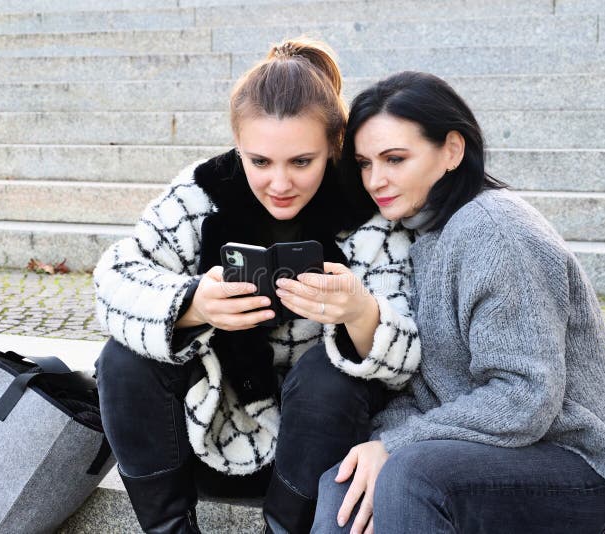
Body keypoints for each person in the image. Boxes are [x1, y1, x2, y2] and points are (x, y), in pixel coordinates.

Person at [93, 40, 421, 534]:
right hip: (209, 422)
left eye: (302, 162)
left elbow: (410, 354)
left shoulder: (369, 218)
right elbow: (113, 280)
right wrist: (191, 305)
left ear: (334, 146)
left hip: (320, 444)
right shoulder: (200, 194)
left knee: (328, 375)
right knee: (121, 359)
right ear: (237, 145)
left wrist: (360, 311)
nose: (280, 183)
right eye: (260, 161)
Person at [310, 71, 605, 533]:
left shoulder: (497, 232)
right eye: (365, 163)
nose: (376, 179)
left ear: (452, 150)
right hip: (475, 453)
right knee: (345, 484)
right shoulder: (417, 234)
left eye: (394, 158)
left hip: (574, 466)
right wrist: (378, 445)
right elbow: (427, 392)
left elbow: (525, 397)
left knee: (408, 475)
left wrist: (395, 445)